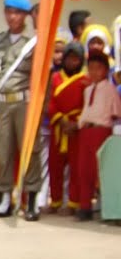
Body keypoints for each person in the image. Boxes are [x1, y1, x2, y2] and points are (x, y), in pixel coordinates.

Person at [0, 0, 40, 220]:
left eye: (17, 13)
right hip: (2, 103)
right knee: (3, 151)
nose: (12, 17)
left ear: (25, 16)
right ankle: (4, 201)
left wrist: (40, 108)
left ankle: (32, 202)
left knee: (29, 150)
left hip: (24, 102)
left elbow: (40, 79)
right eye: (8, 12)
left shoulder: (32, 45)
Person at [76, 51, 121, 220]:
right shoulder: (87, 90)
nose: (94, 72)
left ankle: (108, 208)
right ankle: (85, 207)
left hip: (101, 131)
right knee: (84, 170)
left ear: (106, 70)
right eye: (91, 68)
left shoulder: (110, 90)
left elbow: (116, 112)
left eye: (98, 68)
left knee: (101, 171)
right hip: (86, 131)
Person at [46, 44, 87, 214]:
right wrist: (61, 121)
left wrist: (76, 122)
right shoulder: (55, 78)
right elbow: (49, 101)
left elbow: (88, 104)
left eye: (76, 58)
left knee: (76, 167)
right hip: (58, 128)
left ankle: (73, 203)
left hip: (76, 128)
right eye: (69, 58)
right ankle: (55, 202)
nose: (72, 62)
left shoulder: (86, 80)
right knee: (55, 166)